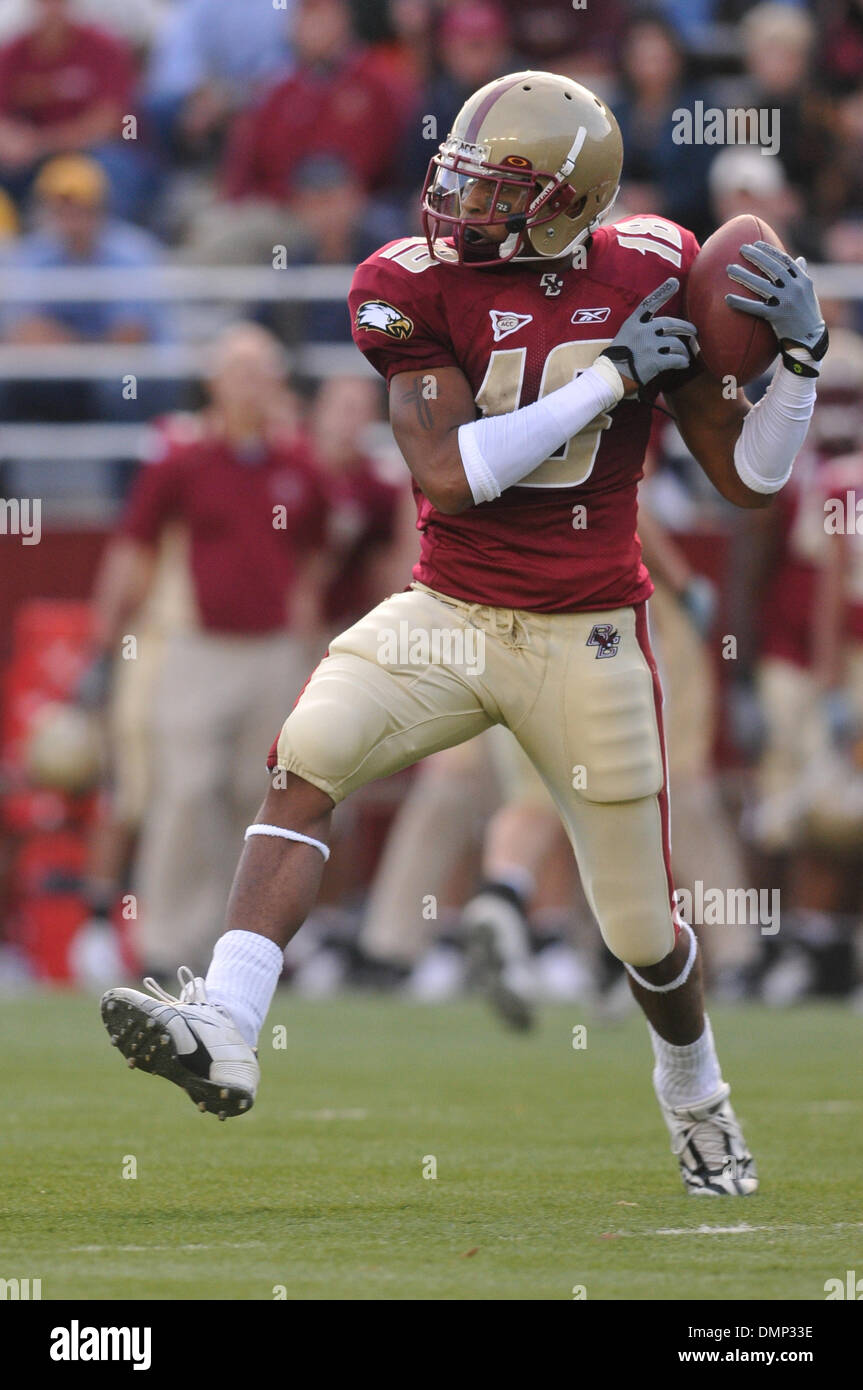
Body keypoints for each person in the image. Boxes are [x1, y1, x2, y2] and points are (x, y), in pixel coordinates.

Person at [102, 71, 828, 1198]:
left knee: (643, 932)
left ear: (565, 202)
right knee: (307, 760)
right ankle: (229, 1021)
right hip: (447, 609)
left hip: (588, 633)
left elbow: (747, 481)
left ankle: (692, 1089)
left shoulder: (650, 268)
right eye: (458, 179)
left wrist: (795, 371)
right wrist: (612, 379)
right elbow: (451, 472)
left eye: (495, 189)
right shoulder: (406, 282)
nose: (458, 207)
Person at [93, 323, 326, 979]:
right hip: (196, 646)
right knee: (185, 790)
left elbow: (310, 559)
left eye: (261, 370)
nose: (250, 384)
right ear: (215, 381)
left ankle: (236, 947)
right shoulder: (182, 459)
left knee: (255, 798)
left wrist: (307, 649)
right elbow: (135, 551)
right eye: (238, 370)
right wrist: (106, 636)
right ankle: (165, 942)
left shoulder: (296, 464)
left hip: (273, 648)